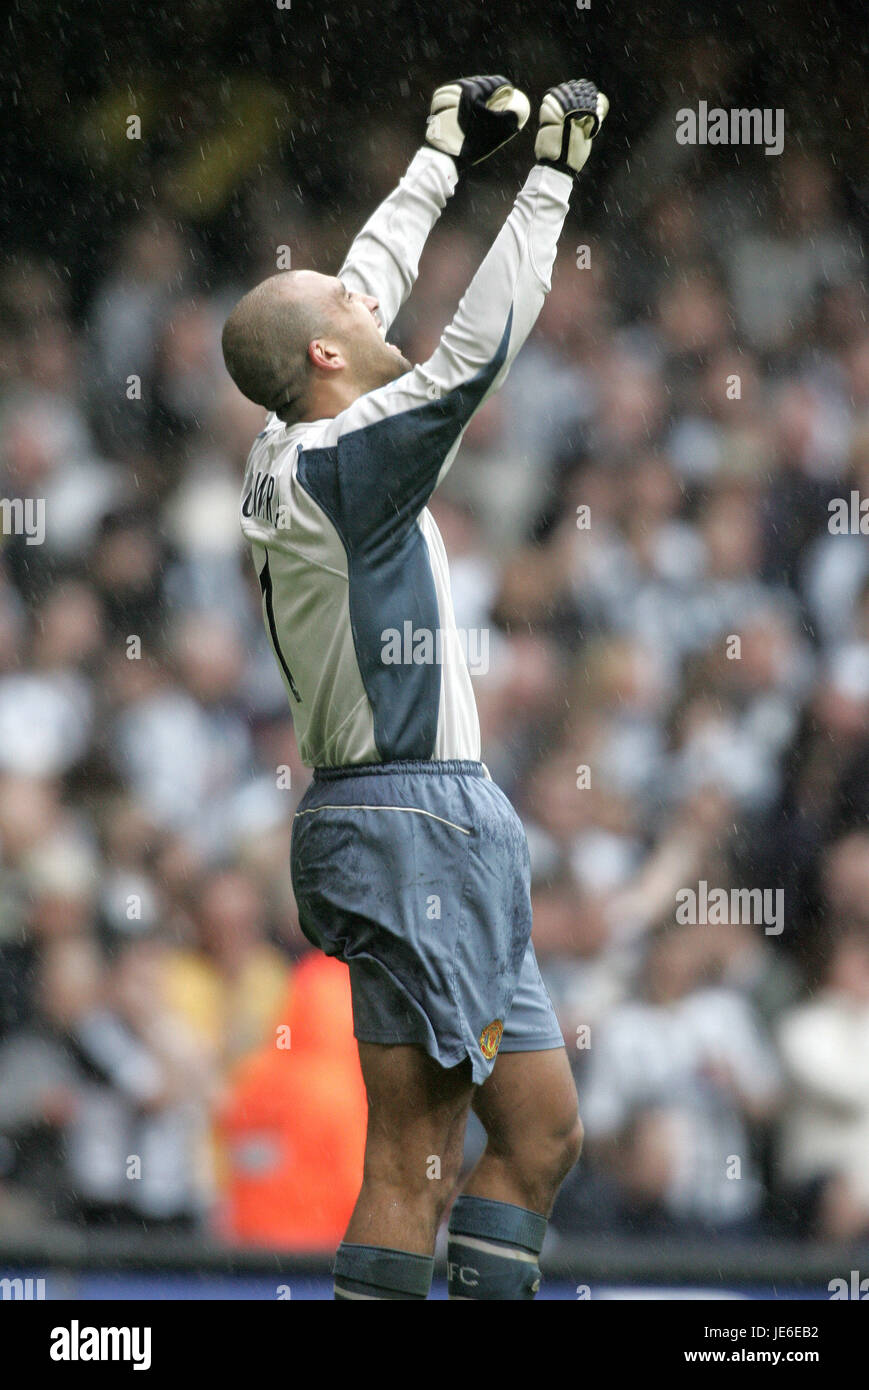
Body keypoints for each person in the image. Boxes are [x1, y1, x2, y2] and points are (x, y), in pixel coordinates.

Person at [221, 74, 609, 1301]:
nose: (364, 289)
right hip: (409, 819)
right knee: (414, 1158)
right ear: (326, 355)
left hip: (418, 815)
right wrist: (546, 182)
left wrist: (439, 157)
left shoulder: (290, 437)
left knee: (540, 1130)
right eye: (345, 302)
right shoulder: (353, 459)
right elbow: (474, 350)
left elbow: (356, 291)